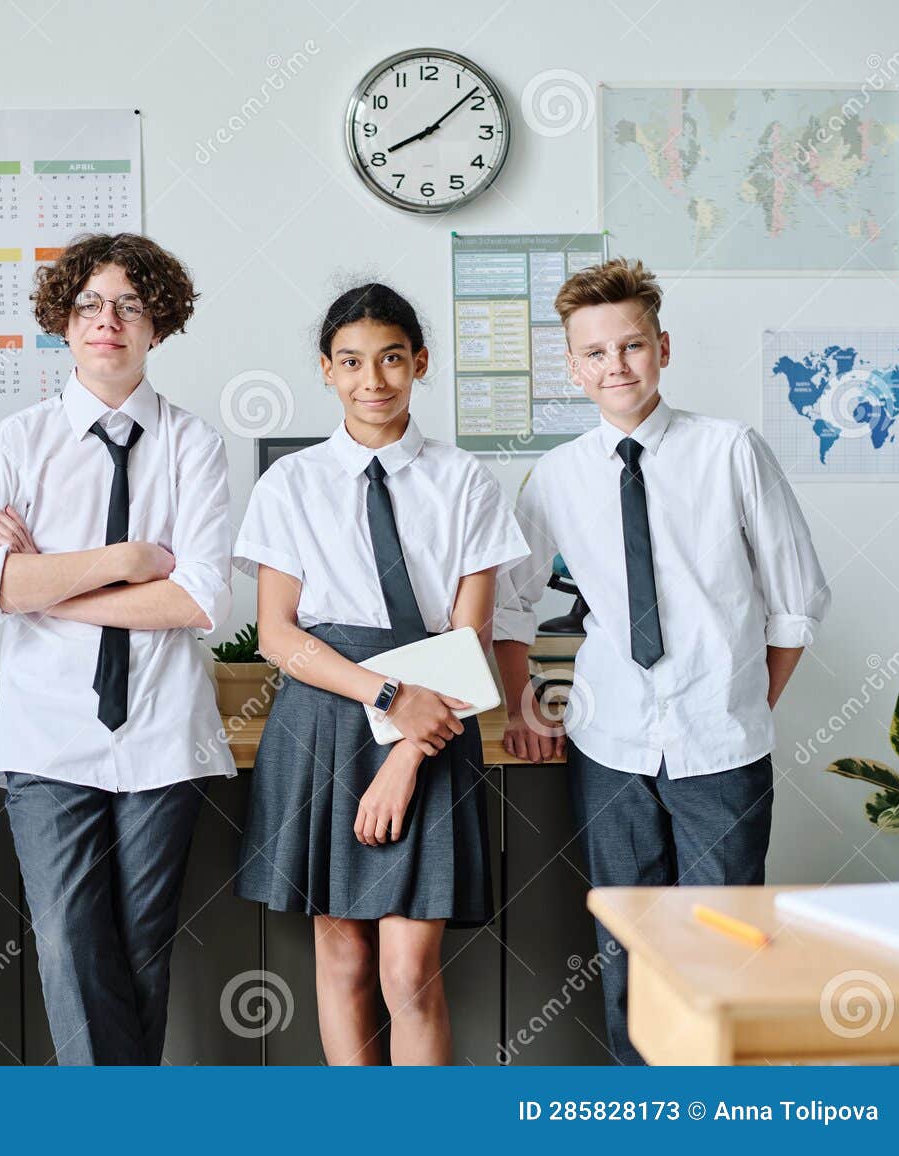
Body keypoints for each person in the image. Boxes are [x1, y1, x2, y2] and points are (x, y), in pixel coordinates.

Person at [494, 257, 831, 1064]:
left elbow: (796, 601)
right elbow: (509, 606)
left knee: (723, 949)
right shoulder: (557, 479)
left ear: (663, 347)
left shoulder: (731, 452)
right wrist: (517, 705)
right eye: (597, 353)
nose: (617, 366)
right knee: (630, 953)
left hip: (722, 747)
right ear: (573, 368)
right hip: (611, 745)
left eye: (633, 346)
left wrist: (743, 701)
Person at [0, 232, 234, 1065]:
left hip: (161, 735)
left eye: (130, 306)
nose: (108, 320)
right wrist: (124, 563)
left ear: (158, 326)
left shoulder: (193, 445)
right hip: (48, 737)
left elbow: (195, 598)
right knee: (70, 947)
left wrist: (45, 580)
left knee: (142, 951)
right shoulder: (18, 441)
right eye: (89, 305)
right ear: (63, 325)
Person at [233, 282, 528, 1065]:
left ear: (420, 364)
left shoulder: (465, 480)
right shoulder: (289, 484)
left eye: (392, 359)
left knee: (410, 971)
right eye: (353, 362)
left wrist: (406, 748)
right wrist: (387, 695)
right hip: (328, 719)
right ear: (326, 370)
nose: (374, 380)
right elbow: (274, 632)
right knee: (343, 956)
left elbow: (471, 636)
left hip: (434, 729)